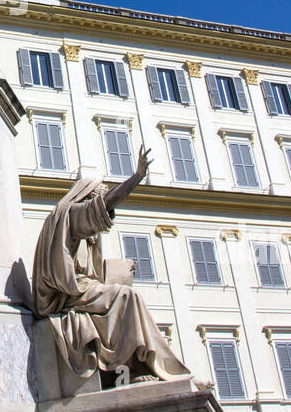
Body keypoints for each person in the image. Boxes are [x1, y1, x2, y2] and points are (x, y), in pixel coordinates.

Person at [32, 146, 190, 383]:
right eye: (100, 204)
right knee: (126, 298)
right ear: (87, 200)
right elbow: (106, 204)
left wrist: (119, 268)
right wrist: (136, 177)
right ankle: (150, 367)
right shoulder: (71, 215)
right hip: (64, 295)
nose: (106, 214)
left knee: (122, 297)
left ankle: (143, 365)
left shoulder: (78, 229)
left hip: (77, 289)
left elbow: (88, 270)